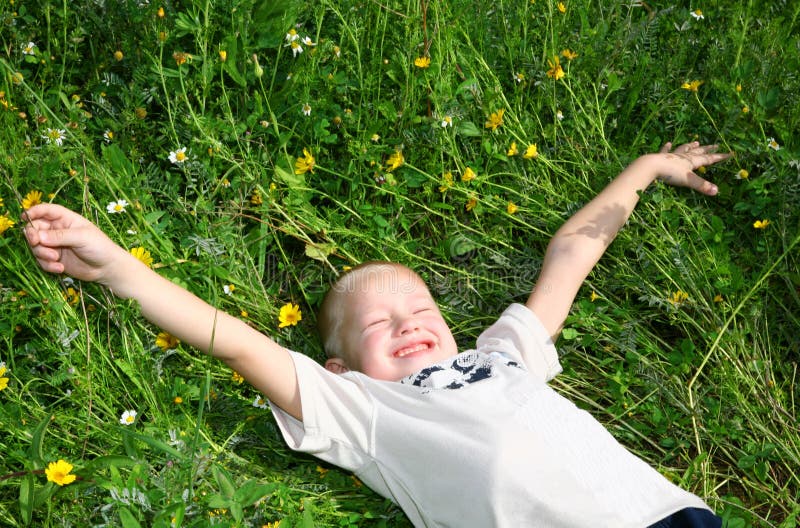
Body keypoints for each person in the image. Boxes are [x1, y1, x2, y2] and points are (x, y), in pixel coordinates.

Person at [24, 141, 731, 527]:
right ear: (338, 365)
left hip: (671, 516)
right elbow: (237, 341)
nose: (408, 323)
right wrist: (120, 270)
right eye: (377, 323)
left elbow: (572, 254)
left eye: (421, 308)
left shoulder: (504, 355)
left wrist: (645, 169)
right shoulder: (362, 410)